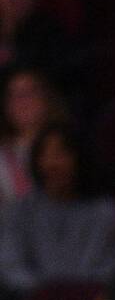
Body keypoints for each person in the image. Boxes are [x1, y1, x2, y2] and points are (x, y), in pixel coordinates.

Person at [0, 123, 115, 292]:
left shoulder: (106, 211)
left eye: (61, 154)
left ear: (79, 159)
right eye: (45, 155)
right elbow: (9, 264)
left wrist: (74, 295)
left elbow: (113, 263)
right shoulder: (18, 211)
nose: (52, 164)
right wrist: (45, 294)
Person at [0, 65, 67, 214]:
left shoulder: (69, 150)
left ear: (46, 97)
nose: (23, 102)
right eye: (15, 95)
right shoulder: (2, 156)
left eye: (30, 92)